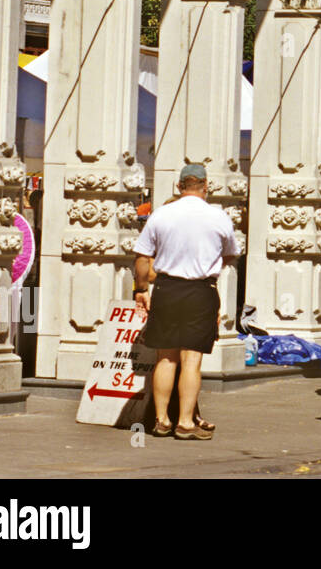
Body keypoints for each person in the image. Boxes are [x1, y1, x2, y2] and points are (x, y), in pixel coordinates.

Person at [133, 164, 238, 440]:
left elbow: (142, 258)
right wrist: (209, 265)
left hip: (167, 288)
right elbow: (230, 255)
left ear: (179, 187)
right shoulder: (218, 217)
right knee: (191, 360)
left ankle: (161, 419)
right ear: (206, 186)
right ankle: (186, 422)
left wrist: (141, 289)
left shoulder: (162, 214)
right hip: (201, 291)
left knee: (165, 358)